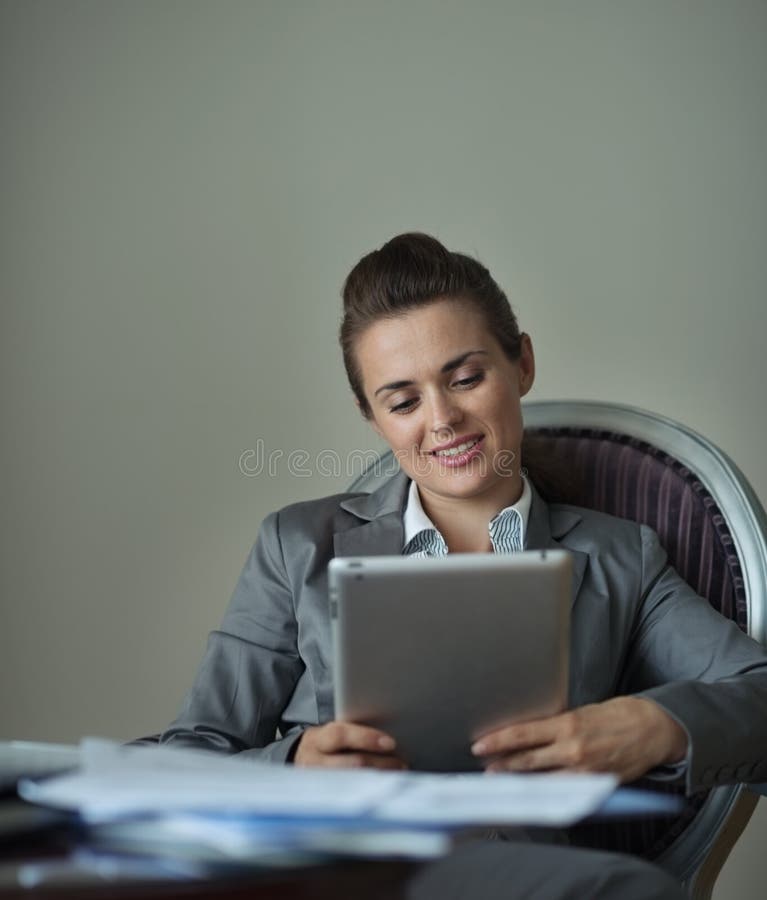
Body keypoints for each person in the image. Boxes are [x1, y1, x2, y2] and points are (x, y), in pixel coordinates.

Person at [151, 233, 767, 898]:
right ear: (372, 417)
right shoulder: (297, 545)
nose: (442, 419)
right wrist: (295, 766)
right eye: (403, 401)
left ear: (522, 364)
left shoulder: (622, 559)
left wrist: (655, 726)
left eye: (466, 378)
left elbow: (756, 695)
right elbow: (188, 761)